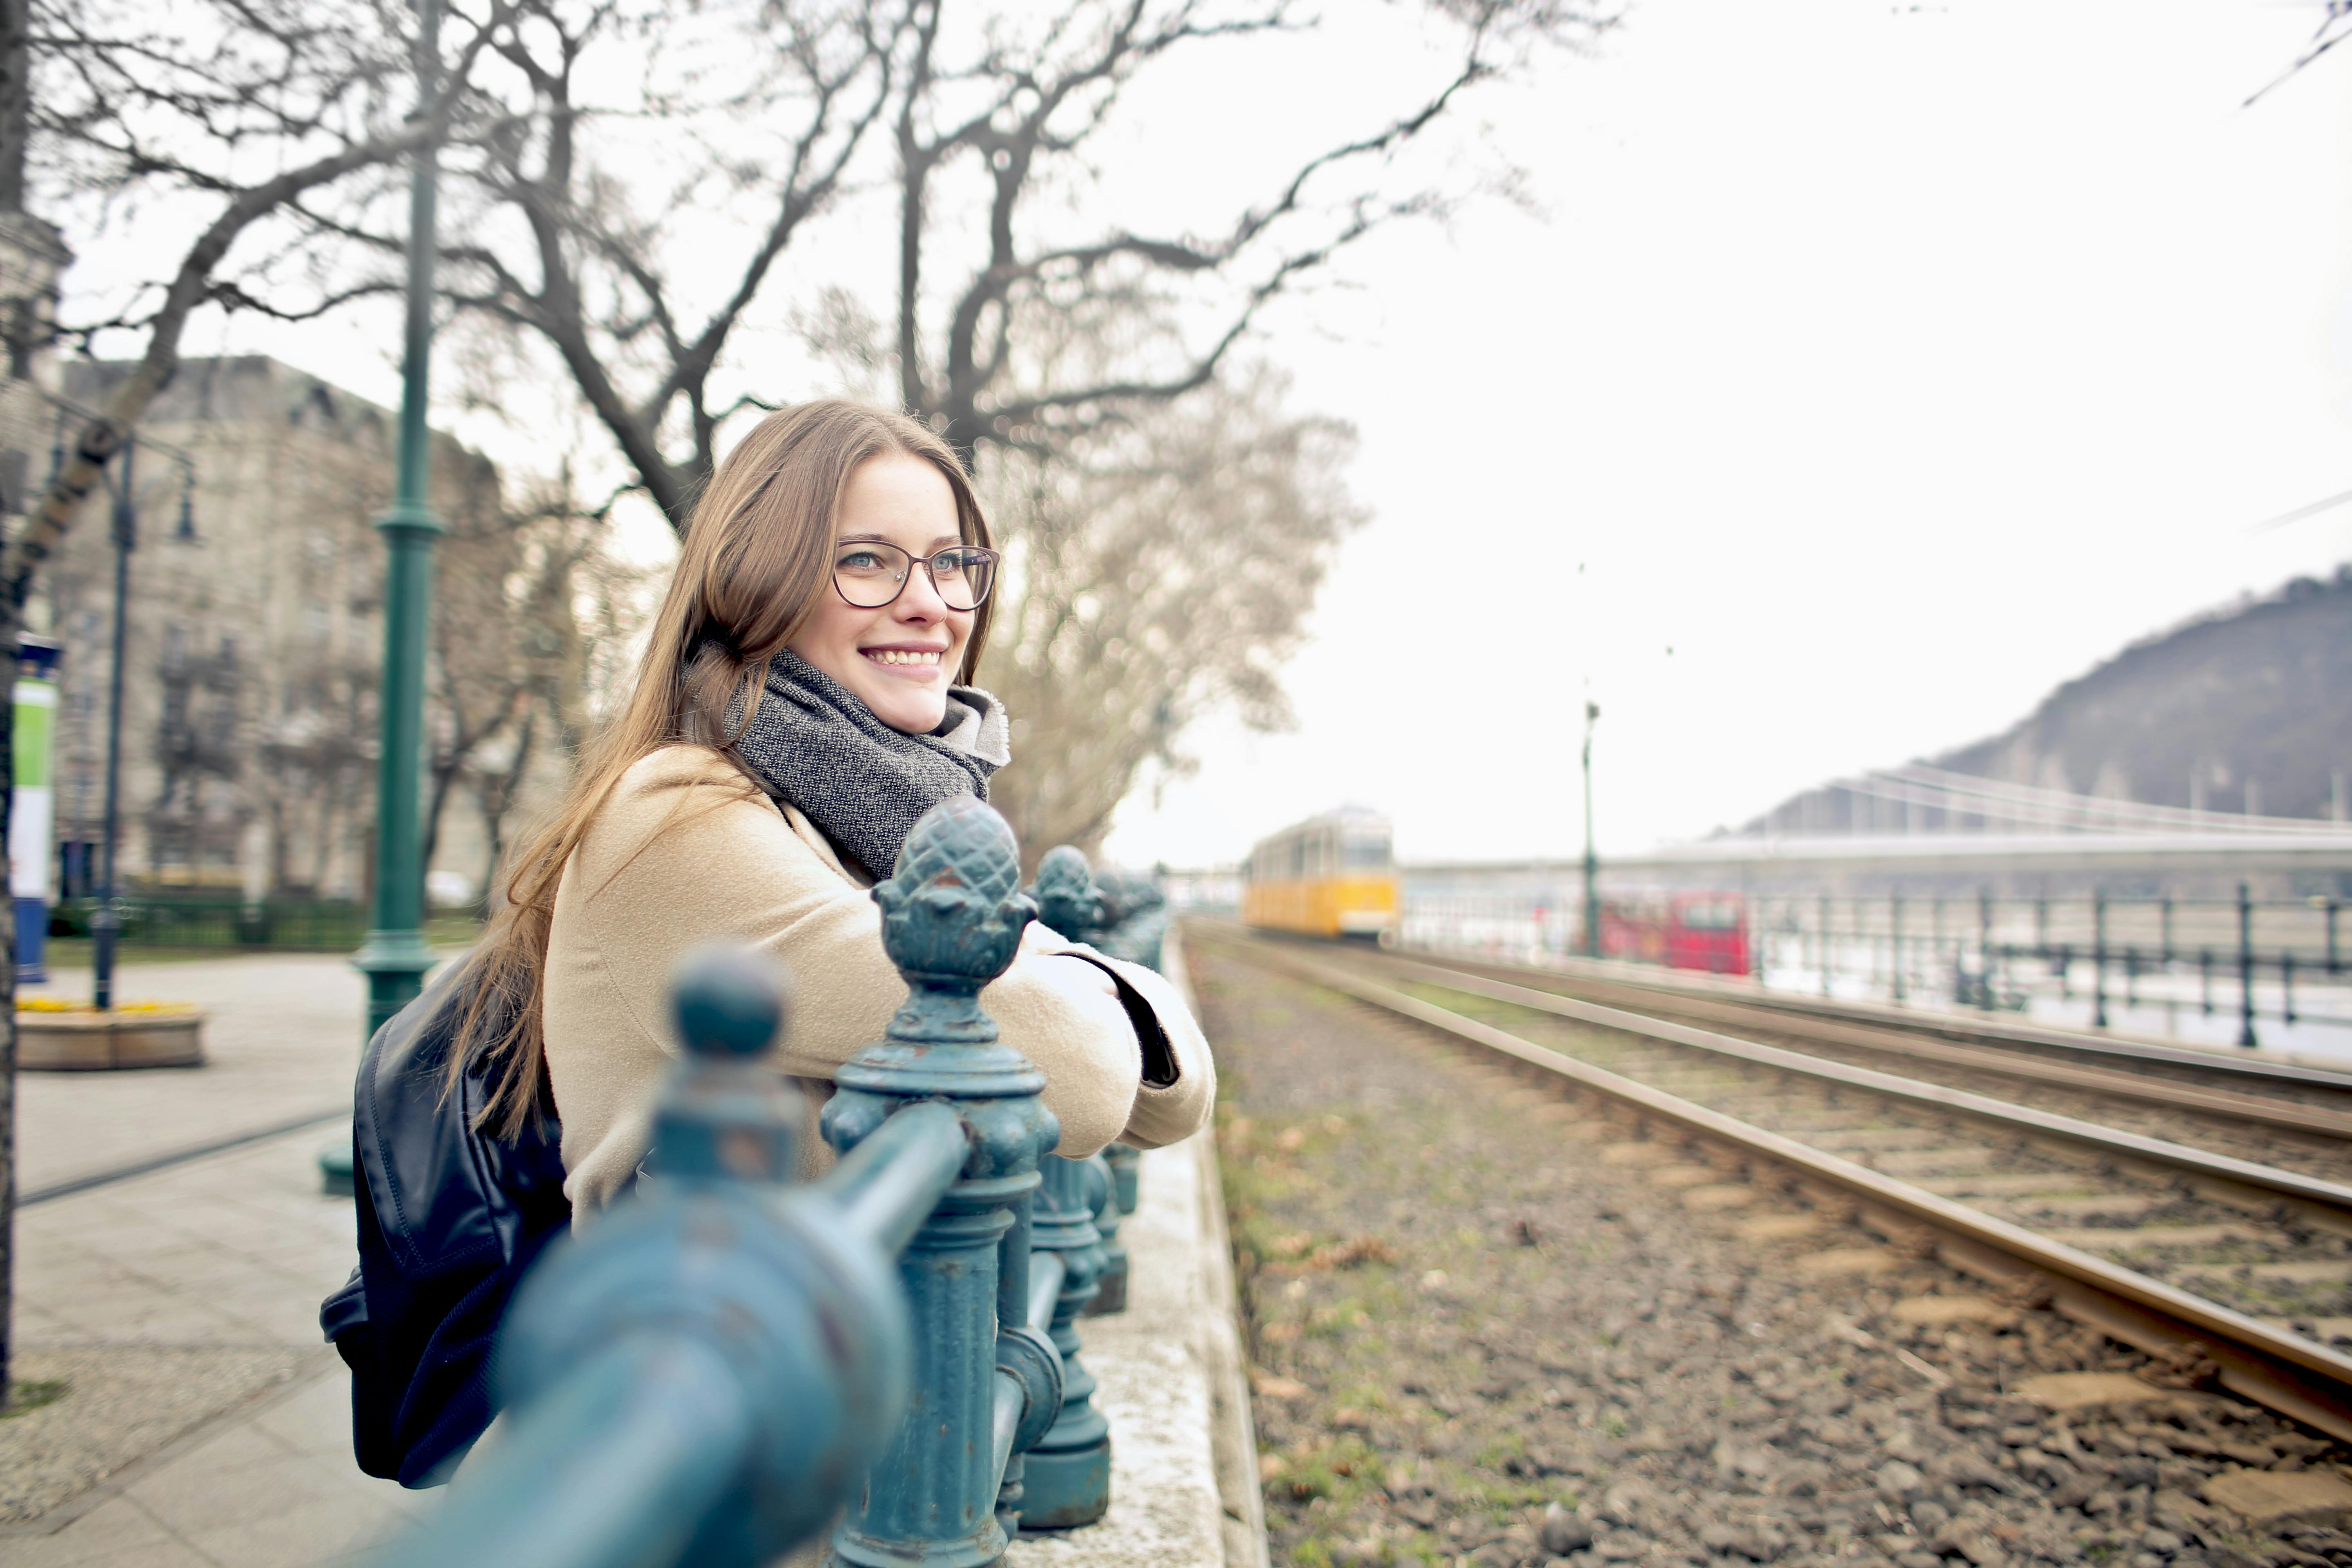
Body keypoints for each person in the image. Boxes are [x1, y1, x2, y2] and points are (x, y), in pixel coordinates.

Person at [448, 399, 1214, 1214]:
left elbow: (1172, 1101)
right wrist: (1058, 972)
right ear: (754, 582)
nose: (934, 603)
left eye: (951, 562)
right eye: (868, 560)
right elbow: (1089, 1077)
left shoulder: (874, 824)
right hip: (709, 1335)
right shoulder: (674, 822)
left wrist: (1048, 983)